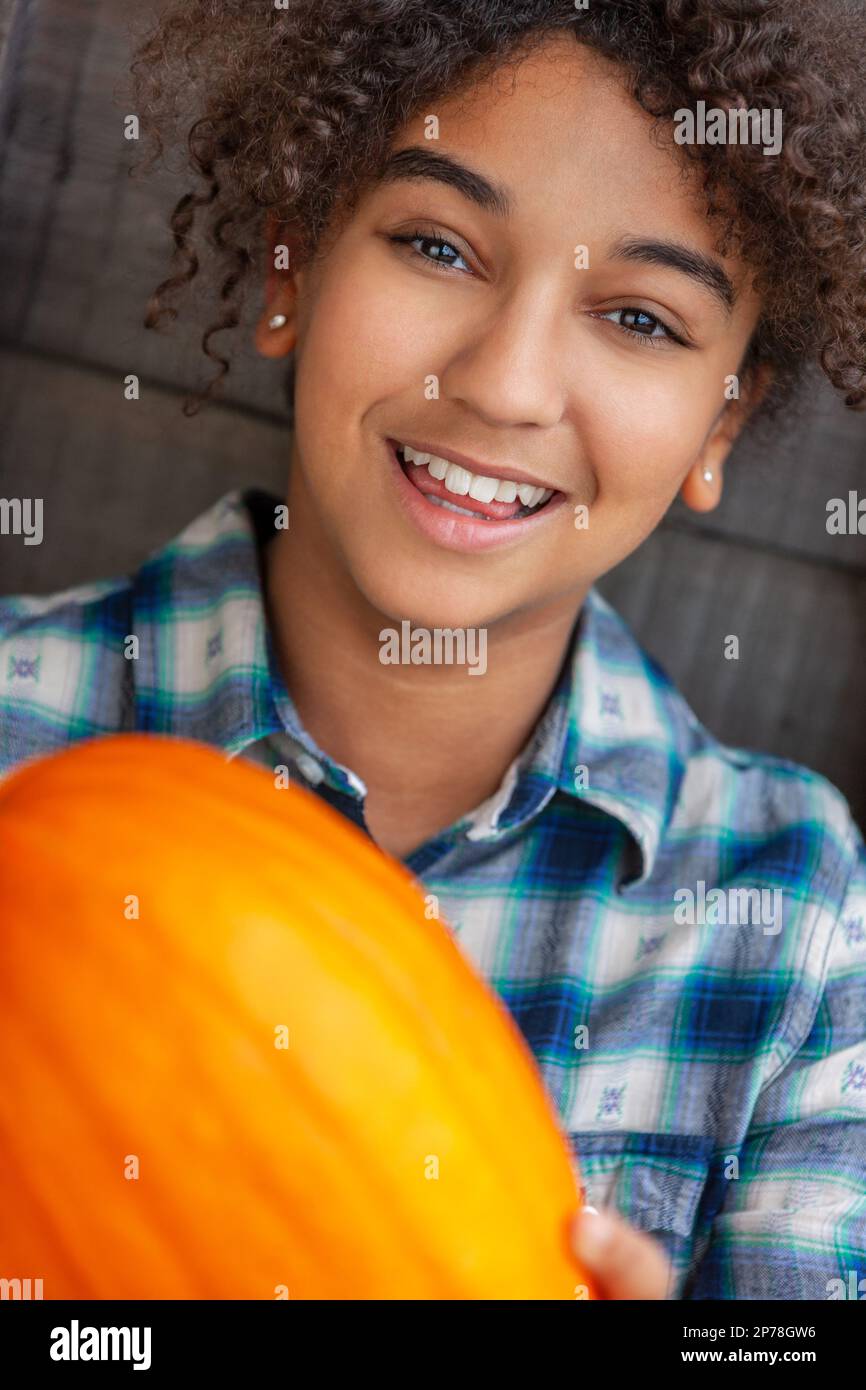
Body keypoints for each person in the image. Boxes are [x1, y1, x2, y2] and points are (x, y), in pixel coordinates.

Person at [2, 0, 865, 1299]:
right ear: (291, 267)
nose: (505, 384)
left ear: (720, 424)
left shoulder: (797, 917)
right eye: (437, 246)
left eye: (640, 319)